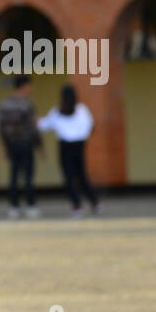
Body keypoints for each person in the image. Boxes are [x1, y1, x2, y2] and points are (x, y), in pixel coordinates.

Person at [38, 84, 100, 218]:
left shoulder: (58, 111)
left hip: (65, 146)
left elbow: (44, 125)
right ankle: (94, 202)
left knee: (69, 177)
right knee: (82, 175)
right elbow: (90, 126)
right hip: (79, 144)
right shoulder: (82, 110)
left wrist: (34, 121)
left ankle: (76, 206)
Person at [0, 74, 42, 220]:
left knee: (14, 176)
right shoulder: (27, 104)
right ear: (24, 86)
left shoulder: (4, 104)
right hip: (26, 144)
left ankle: (14, 207)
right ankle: (30, 206)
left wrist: (5, 145)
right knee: (28, 176)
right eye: (29, 85)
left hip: (11, 145)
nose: (31, 88)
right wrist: (39, 146)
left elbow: (1, 127)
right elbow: (33, 127)